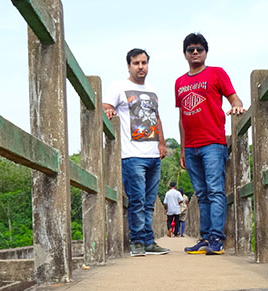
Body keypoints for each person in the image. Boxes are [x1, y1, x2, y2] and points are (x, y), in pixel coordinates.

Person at [175, 33, 245, 255]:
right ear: (185, 54)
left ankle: (216, 238)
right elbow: (182, 118)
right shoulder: (180, 82)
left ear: (206, 52)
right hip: (191, 147)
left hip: (213, 143)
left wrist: (237, 107)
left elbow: (234, 98)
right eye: (191, 49)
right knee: (201, 193)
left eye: (199, 49)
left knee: (215, 190)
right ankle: (205, 238)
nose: (195, 52)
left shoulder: (216, 73)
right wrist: (182, 149)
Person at [103, 48, 170, 257]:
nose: (141, 67)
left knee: (149, 202)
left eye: (144, 62)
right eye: (136, 63)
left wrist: (162, 143)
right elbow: (104, 106)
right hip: (132, 155)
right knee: (137, 200)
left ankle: (149, 241)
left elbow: (156, 118)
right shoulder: (119, 87)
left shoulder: (152, 89)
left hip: (153, 155)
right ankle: (138, 242)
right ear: (129, 66)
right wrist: (109, 110)